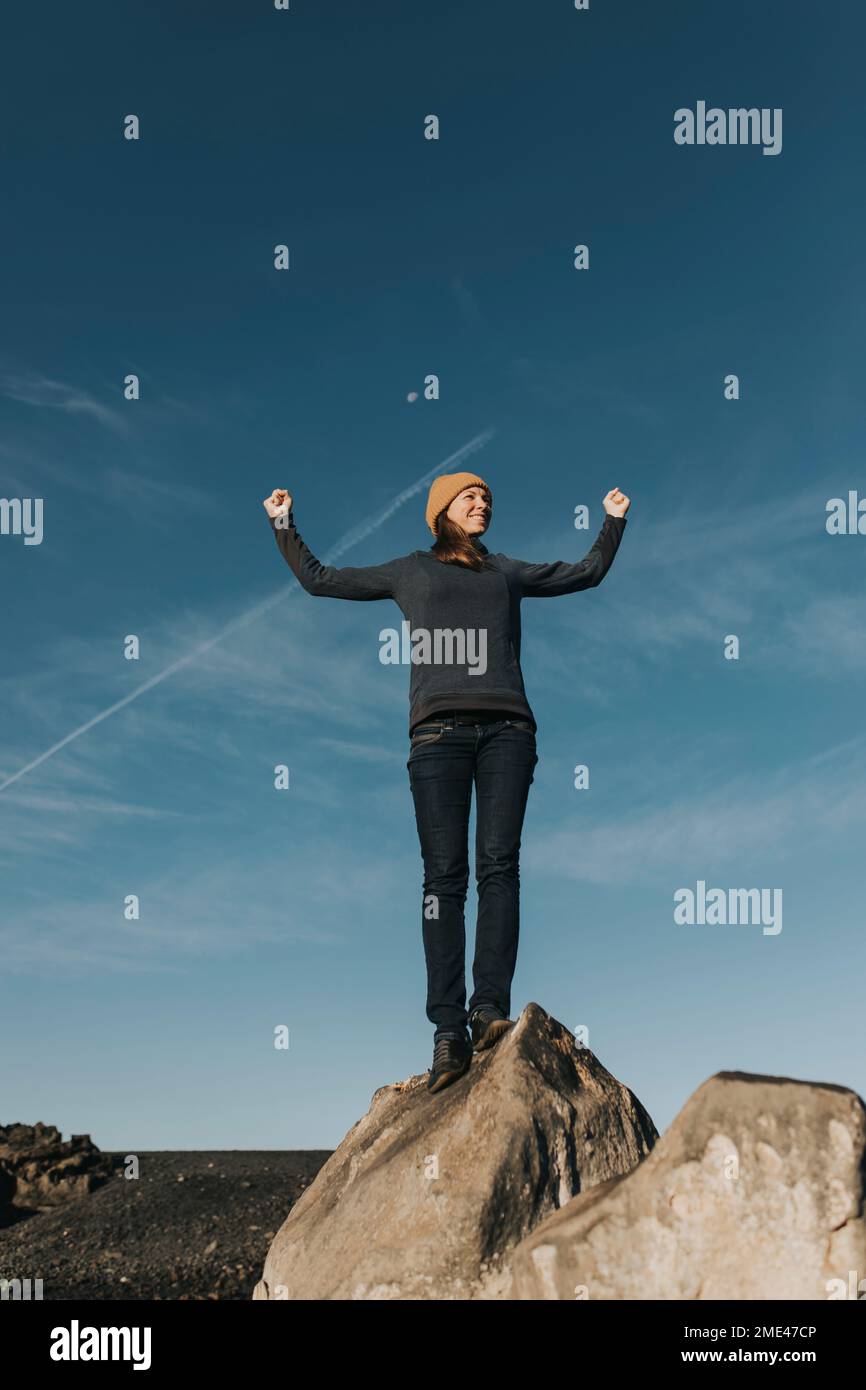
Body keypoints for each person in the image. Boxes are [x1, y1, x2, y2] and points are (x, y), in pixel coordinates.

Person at [262, 471, 630, 1093]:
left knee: (500, 867)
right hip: (437, 738)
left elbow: (586, 573)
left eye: (488, 495)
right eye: (471, 495)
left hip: (509, 733)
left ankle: (488, 1009)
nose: (483, 501)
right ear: (442, 512)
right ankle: (447, 1031)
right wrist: (283, 523)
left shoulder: (506, 572)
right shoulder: (410, 571)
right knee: (443, 880)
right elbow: (319, 581)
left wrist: (613, 521)